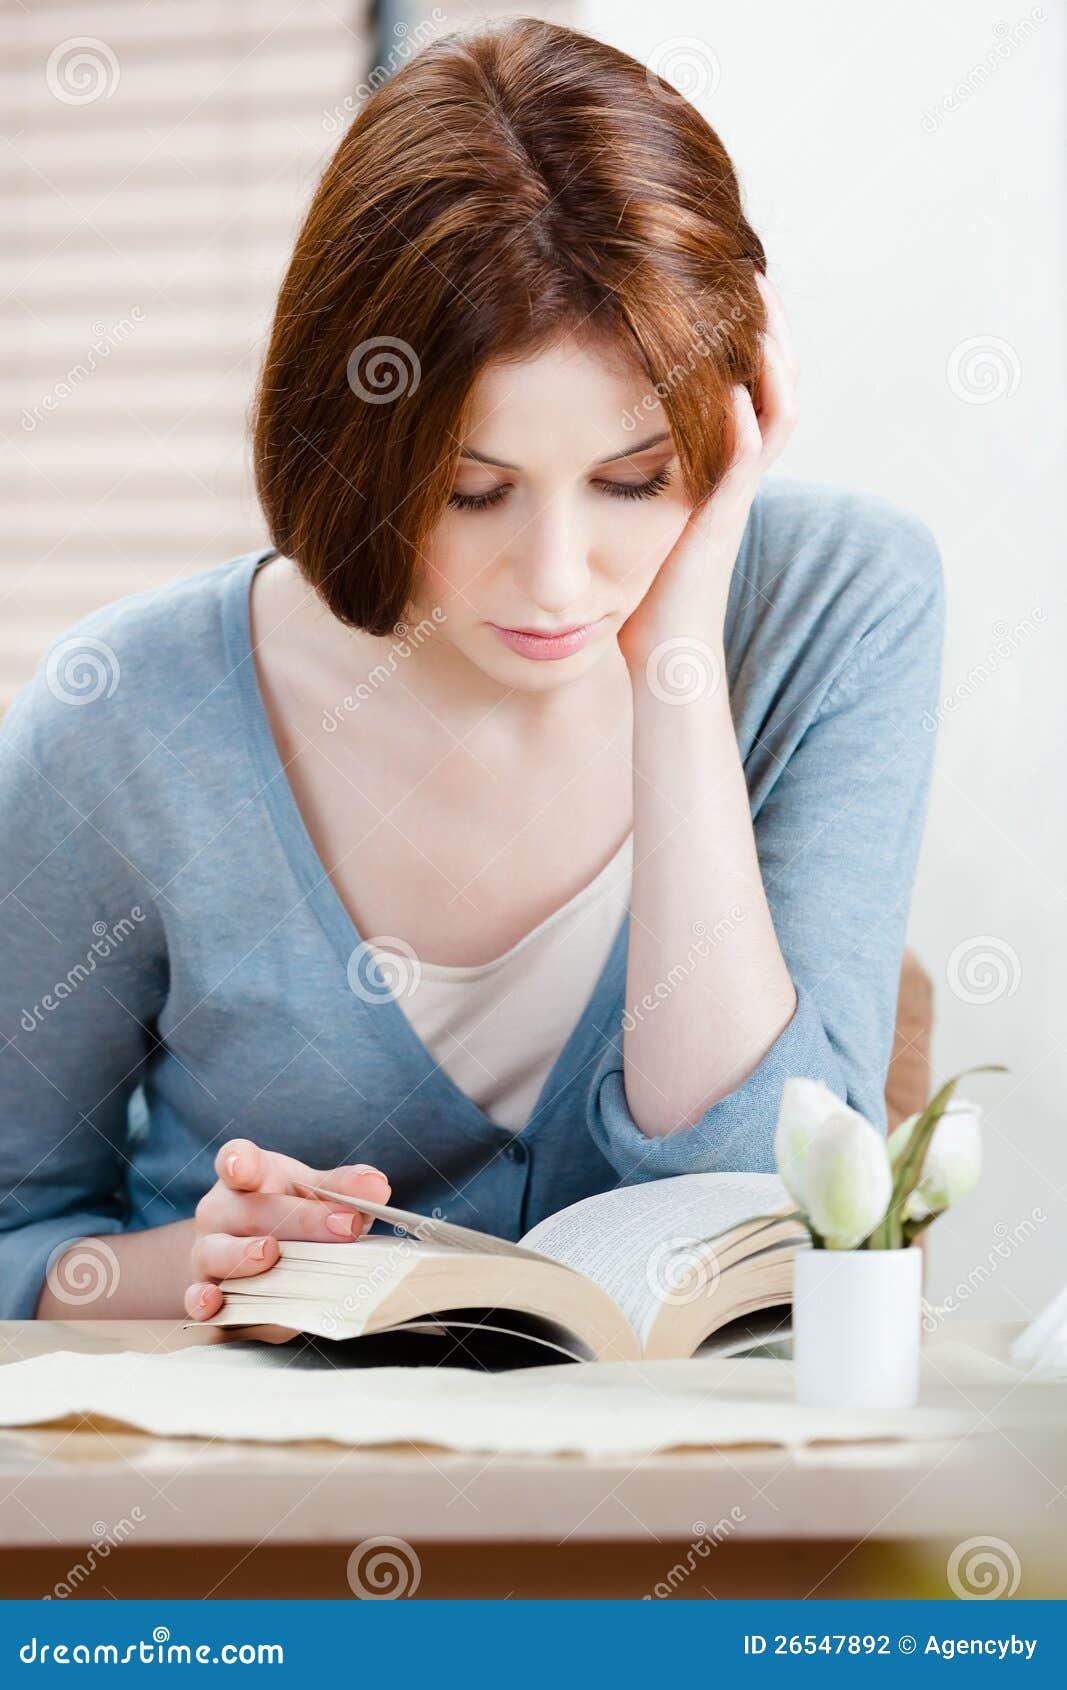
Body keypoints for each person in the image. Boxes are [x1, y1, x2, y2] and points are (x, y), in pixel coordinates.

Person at [0, 18, 943, 1324]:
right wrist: (192, 1270)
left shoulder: (837, 604)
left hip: (711, 1507)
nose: (558, 580)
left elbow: (766, 1203)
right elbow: (16, 1225)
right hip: (249, 1506)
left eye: (633, 479)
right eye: (474, 491)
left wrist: (675, 657)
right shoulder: (122, 720)